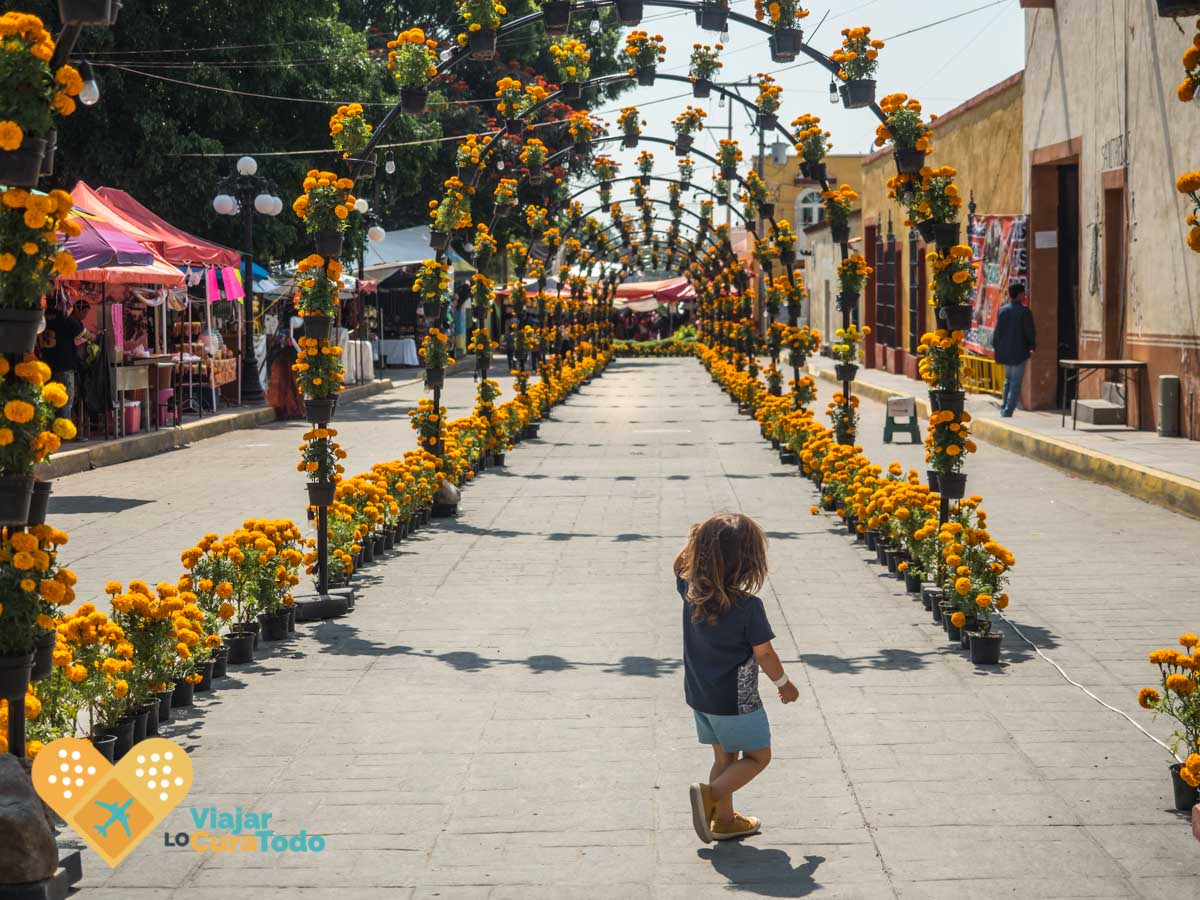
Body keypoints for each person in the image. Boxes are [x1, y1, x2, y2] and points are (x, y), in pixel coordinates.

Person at [674, 512, 798, 843]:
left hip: (701, 696)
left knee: (724, 758)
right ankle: (710, 796)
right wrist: (784, 684)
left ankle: (725, 820)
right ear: (748, 562)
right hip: (737, 702)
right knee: (758, 757)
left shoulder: (690, 591)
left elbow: (677, 567)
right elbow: (765, 654)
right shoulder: (747, 607)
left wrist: (694, 541)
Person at [38, 302, 90, 426]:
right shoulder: (66, 320)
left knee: (49, 401)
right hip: (65, 367)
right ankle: (63, 429)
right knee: (66, 402)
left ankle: (50, 428)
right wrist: (97, 336)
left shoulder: (41, 319)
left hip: (47, 366)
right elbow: (87, 335)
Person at [993, 282, 1036, 417]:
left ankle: (1004, 407)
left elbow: (997, 332)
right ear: (1019, 295)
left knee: (1008, 380)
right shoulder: (1025, 312)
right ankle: (1008, 410)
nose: (1025, 296)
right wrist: (1032, 346)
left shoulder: (1002, 310)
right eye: (1023, 293)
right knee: (1016, 382)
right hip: (1019, 351)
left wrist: (996, 348)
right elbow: (1029, 332)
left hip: (1005, 351)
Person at [265, 305, 305, 420]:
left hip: (291, 354)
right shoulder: (297, 318)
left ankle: (291, 408)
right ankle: (293, 408)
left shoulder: (294, 318)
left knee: (289, 383)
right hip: (292, 354)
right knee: (291, 382)